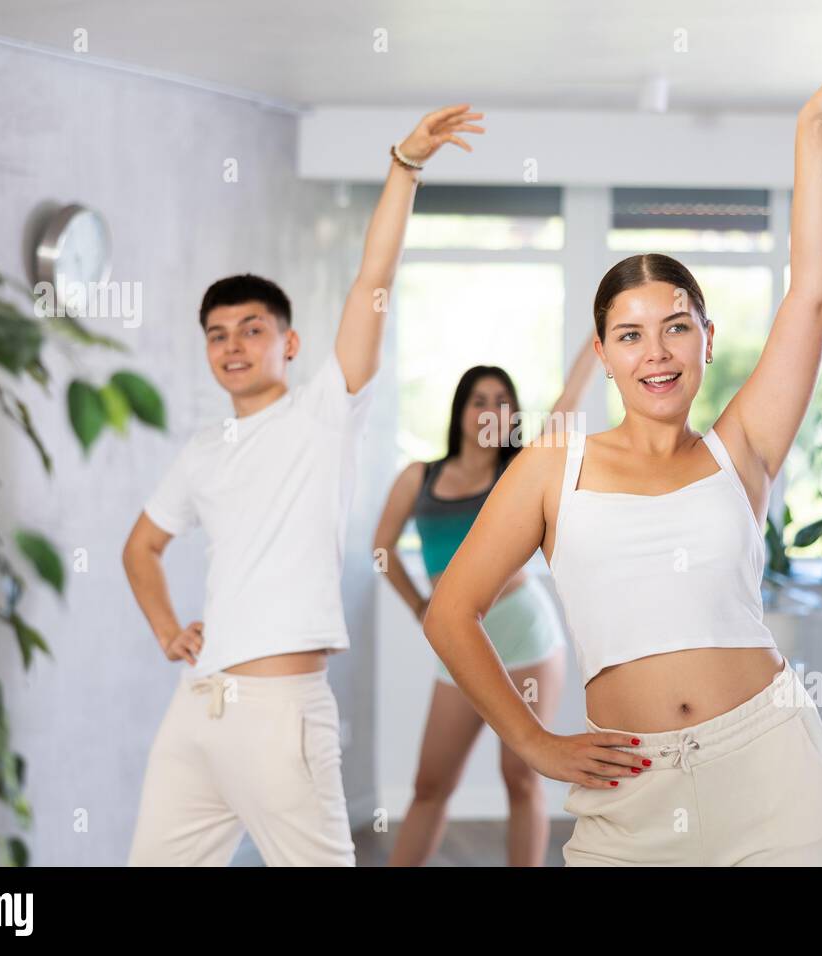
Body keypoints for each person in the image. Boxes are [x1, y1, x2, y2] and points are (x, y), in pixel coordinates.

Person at [422, 47, 822, 866]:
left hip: (772, 768)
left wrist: (813, 129)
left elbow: (813, 291)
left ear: (706, 339)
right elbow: (452, 611)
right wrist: (535, 740)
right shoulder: (555, 464)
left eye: (675, 327)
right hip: (631, 786)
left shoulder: (743, 446)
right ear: (605, 354)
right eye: (630, 335)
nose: (655, 352)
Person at [121, 105, 484, 866]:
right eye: (217, 335)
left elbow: (370, 281)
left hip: (280, 712)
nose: (233, 345)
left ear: (288, 343)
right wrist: (167, 630)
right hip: (198, 705)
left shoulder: (325, 411)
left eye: (251, 329)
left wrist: (404, 164)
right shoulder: (202, 448)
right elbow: (141, 548)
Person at [373, 335, 596, 866]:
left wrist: (598, 340)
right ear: (460, 409)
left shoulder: (519, 471)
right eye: (479, 399)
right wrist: (418, 607)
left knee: (520, 777)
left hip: (524, 637)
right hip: (459, 642)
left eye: (502, 401)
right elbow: (381, 550)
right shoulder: (420, 477)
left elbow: (567, 405)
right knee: (431, 783)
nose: (491, 410)